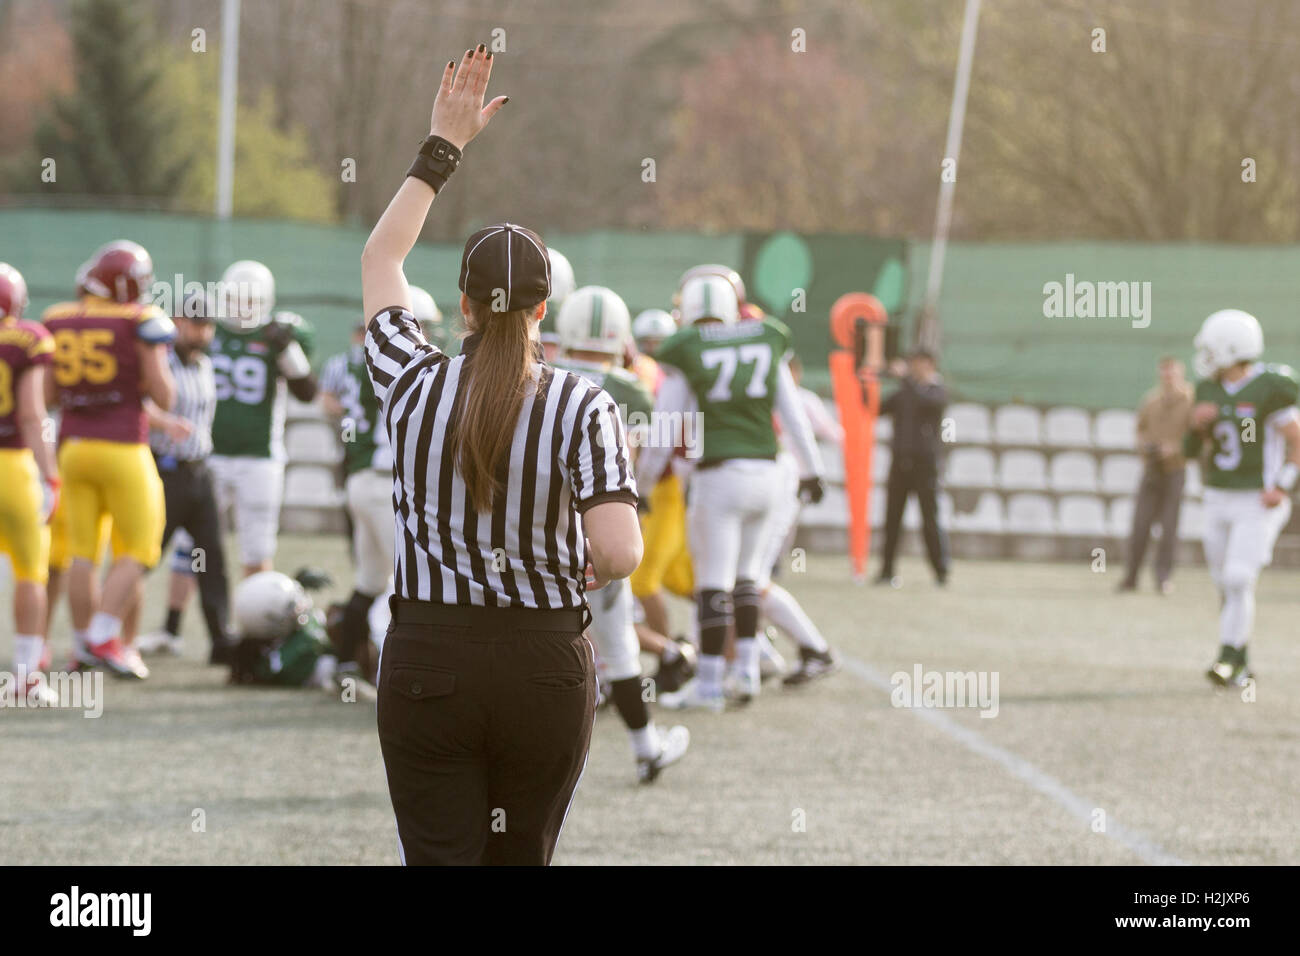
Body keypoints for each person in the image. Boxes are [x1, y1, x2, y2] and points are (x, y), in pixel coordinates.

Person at [361, 45, 642, 865]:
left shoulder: (412, 383)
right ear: (545, 306)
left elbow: (382, 259)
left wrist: (441, 150)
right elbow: (619, 552)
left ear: (460, 305)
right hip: (542, 664)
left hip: (429, 660)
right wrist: (571, 565)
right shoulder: (584, 401)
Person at [641, 272, 825, 710]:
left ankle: (708, 685)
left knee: (712, 584)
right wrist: (813, 471)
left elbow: (666, 429)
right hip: (768, 473)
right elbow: (793, 412)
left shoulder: (687, 349)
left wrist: (643, 484)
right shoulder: (765, 338)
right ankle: (745, 672)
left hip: (719, 475)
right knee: (747, 578)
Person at [553, 284, 690, 783]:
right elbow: (638, 461)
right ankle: (644, 747)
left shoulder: (548, 378)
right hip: (595, 536)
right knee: (617, 650)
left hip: (536, 531)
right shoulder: (630, 389)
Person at [43, 241, 175, 680]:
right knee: (139, 547)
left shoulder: (58, 319)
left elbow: (47, 396)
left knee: (82, 553)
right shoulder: (141, 321)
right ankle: (103, 633)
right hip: (122, 448)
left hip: (73, 448)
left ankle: (81, 646)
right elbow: (164, 395)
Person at [317, 286, 438, 687]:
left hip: (360, 481)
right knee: (411, 582)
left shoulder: (355, 362)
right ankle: (399, 671)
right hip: (384, 484)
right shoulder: (402, 368)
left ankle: (344, 664)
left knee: (370, 580)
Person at [1183, 309, 1299, 688]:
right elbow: (1189, 450)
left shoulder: (1268, 386)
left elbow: (1292, 439)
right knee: (1224, 583)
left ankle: (1227, 659)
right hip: (1218, 495)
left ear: (1232, 348)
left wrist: (1282, 485)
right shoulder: (1208, 389)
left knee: (1237, 578)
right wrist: (1199, 426)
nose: (1206, 356)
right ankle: (1242, 663)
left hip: (1255, 499)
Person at [136, 291, 233, 662]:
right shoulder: (160, 362)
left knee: (212, 560)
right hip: (165, 470)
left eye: (208, 325)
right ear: (177, 323)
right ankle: (108, 631)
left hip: (199, 474)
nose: (203, 332)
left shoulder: (205, 365)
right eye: (196, 324)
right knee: (143, 555)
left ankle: (221, 641)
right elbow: (137, 401)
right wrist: (164, 423)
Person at [208, 259, 317, 578]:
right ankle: (173, 625)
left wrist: (287, 349)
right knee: (193, 550)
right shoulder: (206, 328)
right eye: (234, 299)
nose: (240, 308)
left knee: (256, 549)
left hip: (259, 458)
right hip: (208, 455)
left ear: (265, 302)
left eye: (249, 302)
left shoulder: (278, 333)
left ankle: (254, 623)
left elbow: (307, 392)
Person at [0, 263, 61, 704]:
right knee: (30, 571)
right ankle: (25, 673)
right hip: (12, 466)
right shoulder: (29, 338)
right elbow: (32, 414)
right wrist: (51, 474)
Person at [875, 348, 950, 587]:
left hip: (925, 466)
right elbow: (876, 409)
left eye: (917, 363)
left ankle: (940, 570)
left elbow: (928, 403)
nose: (913, 367)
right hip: (899, 463)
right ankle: (886, 570)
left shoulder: (937, 391)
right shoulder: (904, 392)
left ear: (929, 364)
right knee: (892, 519)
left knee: (929, 518)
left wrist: (904, 378)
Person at [1119, 357, 1193, 593]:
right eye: (1164, 374)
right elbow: (1139, 431)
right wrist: (1146, 447)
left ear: (1180, 374)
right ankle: (1131, 576)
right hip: (1151, 470)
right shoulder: (1150, 401)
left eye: (1172, 373)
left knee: (1169, 527)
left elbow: (1197, 438)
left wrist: (1175, 448)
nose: (1168, 378)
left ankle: (1163, 578)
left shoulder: (1191, 401)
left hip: (1175, 470)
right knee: (1140, 524)